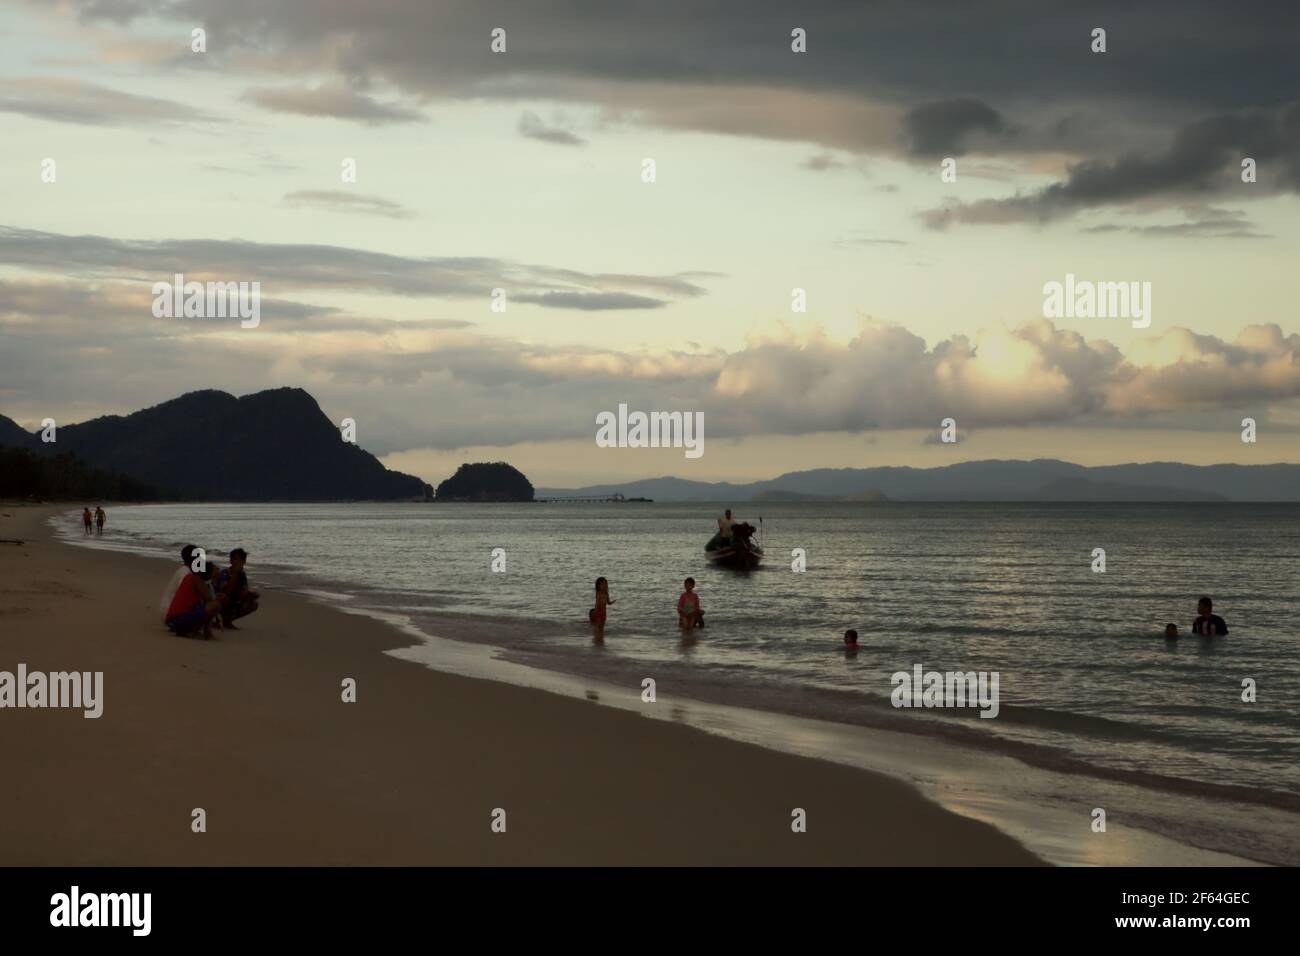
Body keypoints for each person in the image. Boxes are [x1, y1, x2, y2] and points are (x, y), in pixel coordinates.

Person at [164, 545, 222, 639]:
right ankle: (201, 632)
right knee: (214, 605)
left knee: (210, 605)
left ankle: (195, 630)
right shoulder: (195, 577)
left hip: (175, 618)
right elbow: (209, 599)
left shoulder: (192, 575)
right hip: (176, 619)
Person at [217, 547, 260, 629]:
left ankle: (228, 620)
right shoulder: (225, 573)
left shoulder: (242, 574)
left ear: (244, 561)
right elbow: (226, 591)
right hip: (223, 602)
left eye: (241, 560)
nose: (238, 563)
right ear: (231, 561)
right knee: (225, 598)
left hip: (235, 601)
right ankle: (220, 619)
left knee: (253, 604)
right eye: (236, 559)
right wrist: (235, 574)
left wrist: (250, 594)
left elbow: (244, 590)